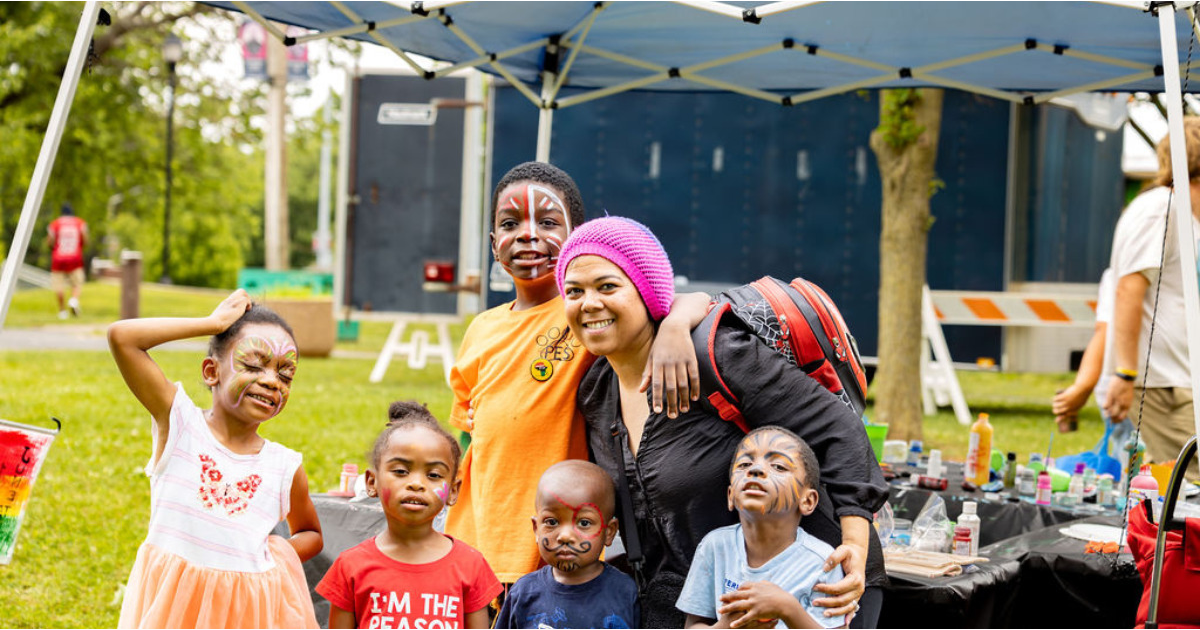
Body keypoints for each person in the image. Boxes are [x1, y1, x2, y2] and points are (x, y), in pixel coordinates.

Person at [559, 217, 888, 628]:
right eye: (574, 291)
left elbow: (838, 429)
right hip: (709, 597)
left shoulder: (713, 354)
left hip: (816, 589)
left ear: (646, 291)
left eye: (608, 286)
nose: (588, 303)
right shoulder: (596, 393)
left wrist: (854, 546)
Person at [445, 162, 710, 589]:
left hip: (557, 540)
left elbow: (692, 299)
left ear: (578, 237)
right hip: (475, 537)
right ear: (494, 244)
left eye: (547, 221)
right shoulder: (481, 328)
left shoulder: (587, 310)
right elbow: (469, 429)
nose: (528, 234)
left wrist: (677, 327)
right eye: (510, 223)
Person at [107, 289, 321, 628]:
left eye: (285, 374)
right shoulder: (180, 426)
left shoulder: (284, 467)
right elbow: (122, 338)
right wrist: (212, 323)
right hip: (172, 614)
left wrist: (271, 559)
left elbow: (310, 533)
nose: (271, 381)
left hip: (245, 616)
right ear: (211, 371)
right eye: (254, 364)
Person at [317, 403, 501, 629]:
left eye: (433, 474)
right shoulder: (350, 566)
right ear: (371, 482)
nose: (416, 484)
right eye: (401, 471)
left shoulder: (471, 565)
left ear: (453, 491)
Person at [1103, 118, 1200, 481]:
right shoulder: (1163, 208)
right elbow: (1129, 287)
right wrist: (1125, 372)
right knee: (1187, 482)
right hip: (1162, 384)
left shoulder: (1182, 213)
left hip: (1177, 378)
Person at [678, 427, 846, 629]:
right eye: (745, 464)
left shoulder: (823, 563)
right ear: (731, 495)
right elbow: (693, 625)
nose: (755, 470)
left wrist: (788, 608)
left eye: (778, 466)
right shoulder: (714, 546)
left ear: (808, 501)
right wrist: (726, 626)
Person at [495, 460, 638, 629]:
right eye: (552, 521)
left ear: (609, 531)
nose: (565, 536)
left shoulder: (625, 592)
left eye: (584, 523)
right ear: (536, 529)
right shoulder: (524, 593)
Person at [1052, 268, 1132, 447]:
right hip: (1128, 391)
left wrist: (1082, 388)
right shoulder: (1124, 272)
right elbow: (1105, 332)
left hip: (1122, 391)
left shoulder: (1117, 271)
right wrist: (1082, 388)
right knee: (1142, 470)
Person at [48, 202, 88, 319]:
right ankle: (74, 299)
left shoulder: (55, 224)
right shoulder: (79, 222)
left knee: (59, 285)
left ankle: (62, 311)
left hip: (59, 258)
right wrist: (81, 246)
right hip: (75, 258)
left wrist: (52, 248)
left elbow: (50, 240)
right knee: (77, 282)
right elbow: (84, 238)